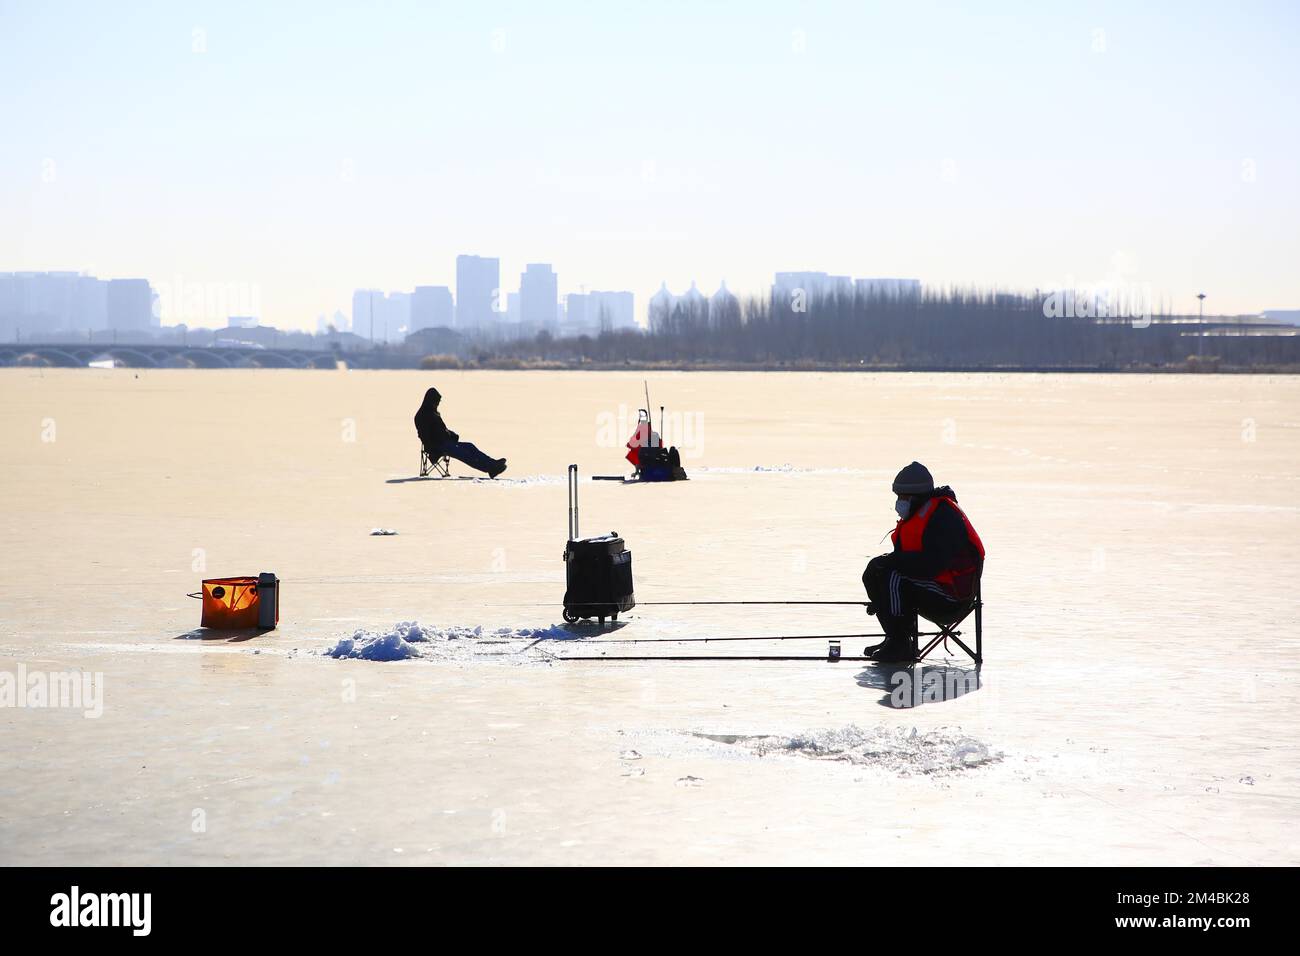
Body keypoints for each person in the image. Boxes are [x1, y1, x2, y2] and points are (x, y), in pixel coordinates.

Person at [862, 461, 985, 662]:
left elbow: (931, 564)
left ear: (917, 497)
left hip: (951, 597)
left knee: (894, 577)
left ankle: (900, 643)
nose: (899, 502)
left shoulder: (943, 516)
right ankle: (894, 636)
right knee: (876, 571)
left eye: (903, 497)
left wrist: (892, 563)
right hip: (930, 586)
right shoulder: (917, 515)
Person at [413, 387, 507, 479]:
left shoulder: (433, 412)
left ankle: (493, 464)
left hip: (445, 442)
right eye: (436, 401)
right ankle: (490, 468)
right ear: (431, 400)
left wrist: (451, 435)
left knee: (470, 446)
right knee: (465, 454)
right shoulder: (423, 415)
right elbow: (425, 436)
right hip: (438, 446)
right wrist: (433, 450)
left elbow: (441, 430)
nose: (437, 404)